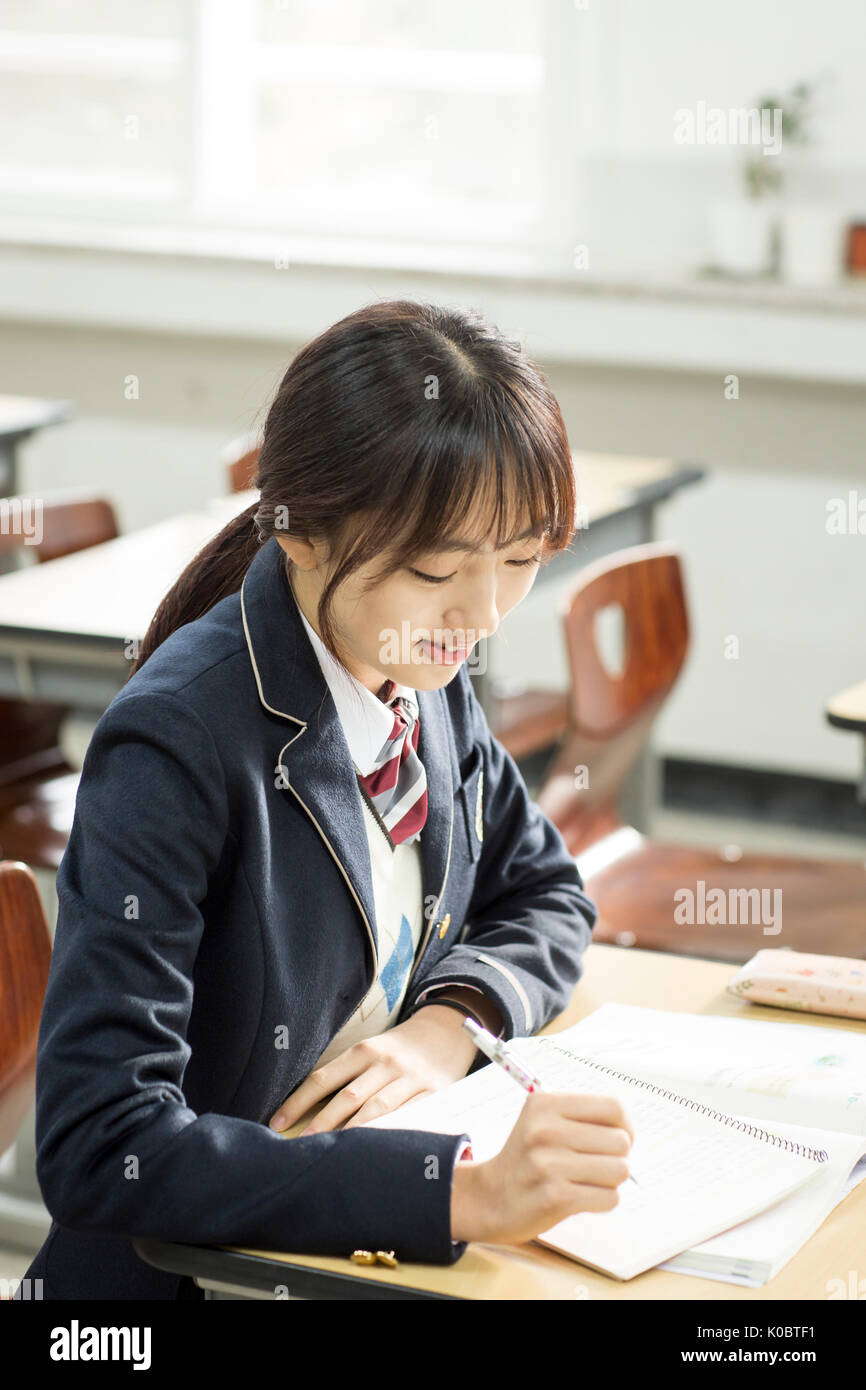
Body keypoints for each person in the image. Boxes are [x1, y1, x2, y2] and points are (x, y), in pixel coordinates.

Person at [16, 299, 634, 1301]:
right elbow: (103, 1145)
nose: (477, 619)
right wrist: (454, 1197)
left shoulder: (413, 675)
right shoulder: (175, 744)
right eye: (436, 568)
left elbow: (548, 896)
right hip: (186, 1287)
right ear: (303, 537)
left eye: (518, 562)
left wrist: (447, 1025)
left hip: (333, 1261)